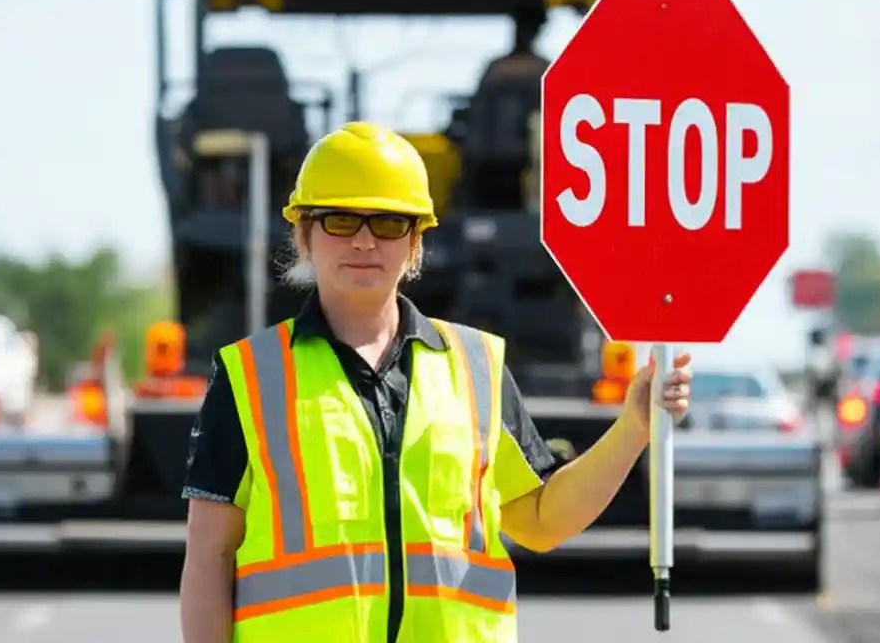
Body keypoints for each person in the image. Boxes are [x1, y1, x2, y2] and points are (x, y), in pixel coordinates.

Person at [178, 122, 693, 643]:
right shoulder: (250, 375)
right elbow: (208, 554)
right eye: (339, 219)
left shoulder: (477, 367)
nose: (363, 239)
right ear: (303, 233)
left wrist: (633, 427)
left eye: (387, 222)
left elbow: (540, 520)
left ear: (416, 241)